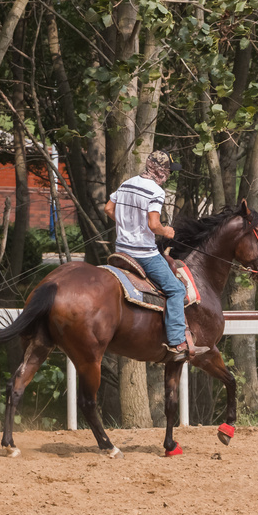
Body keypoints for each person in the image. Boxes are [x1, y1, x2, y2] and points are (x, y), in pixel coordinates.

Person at [104, 150, 207, 361]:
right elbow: (153, 224)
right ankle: (178, 343)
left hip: (121, 250)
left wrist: (126, 224)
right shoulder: (155, 191)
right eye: (168, 170)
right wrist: (166, 231)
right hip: (143, 254)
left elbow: (108, 209)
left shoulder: (127, 183)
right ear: (159, 170)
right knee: (177, 289)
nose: (169, 174)